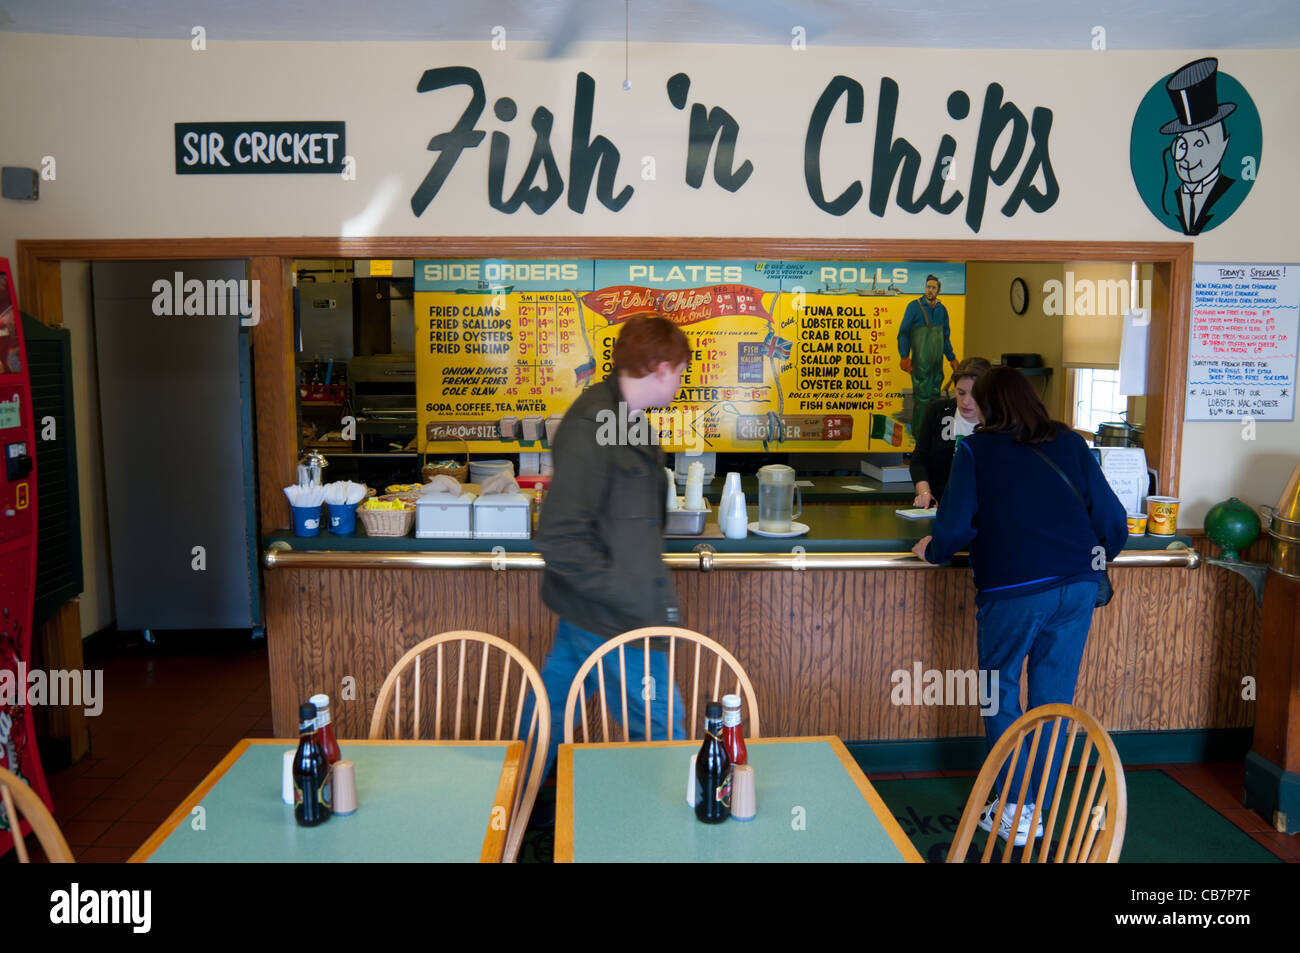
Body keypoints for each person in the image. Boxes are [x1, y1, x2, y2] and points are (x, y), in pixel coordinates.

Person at [911, 366, 1127, 847]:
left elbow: (953, 527)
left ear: (991, 406)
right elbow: (1113, 522)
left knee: (1000, 692)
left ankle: (1016, 808)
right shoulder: (1071, 444)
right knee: (1053, 700)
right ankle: (1035, 809)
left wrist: (936, 550)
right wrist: (1091, 558)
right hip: (1077, 589)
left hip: (1014, 590)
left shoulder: (976, 450)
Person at [531, 315, 691, 789]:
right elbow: (559, 537)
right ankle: (673, 833)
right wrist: (630, 594)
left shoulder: (623, 418)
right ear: (661, 368)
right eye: (680, 371)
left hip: (593, 609)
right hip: (616, 617)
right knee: (664, 731)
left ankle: (510, 805)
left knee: (550, 716)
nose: (681, 382)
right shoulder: (591, 425)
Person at [909, 356, 991, 508]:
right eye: (960, 393)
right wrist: (925, 494)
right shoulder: (938, 411)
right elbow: (919, 461)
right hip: (939, 505)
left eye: (974, 395)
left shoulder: (998, 421)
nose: (966, 401)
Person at [898, 275, 958, 438]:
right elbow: (903, 333)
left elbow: (945, 337)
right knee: (922, 398)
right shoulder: (914, 307)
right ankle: (919, 435)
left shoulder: (941, 310)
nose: (929, 290)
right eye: (928, 287)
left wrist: (951, 358)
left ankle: (932, 434)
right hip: (920, 365)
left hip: (936, 366)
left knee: (934, 397)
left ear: (938, 290)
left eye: (933, 287)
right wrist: (904, 356)